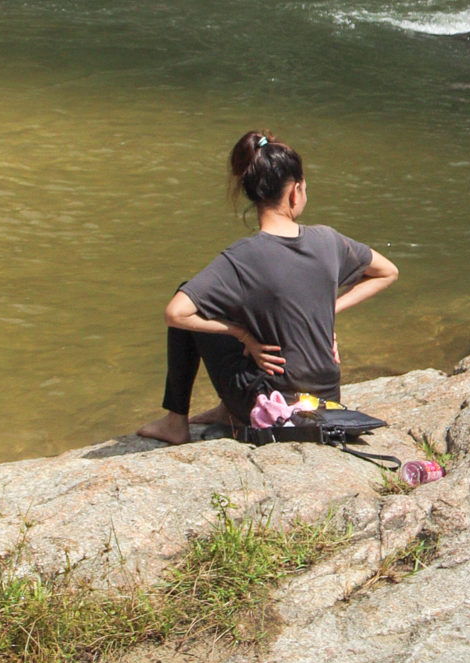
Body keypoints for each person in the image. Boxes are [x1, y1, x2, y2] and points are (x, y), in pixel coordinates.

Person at [138, 131, 398, 444]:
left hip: (270, 405)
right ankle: (223, 409)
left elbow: (175, 313)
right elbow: (387, 272)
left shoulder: (241, 258)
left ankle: (175, 422)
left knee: (197, 297)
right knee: (248, 308)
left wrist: (242, 334)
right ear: (294, 192)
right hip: (327, 399)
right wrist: (326, 314)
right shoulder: (329, 240)